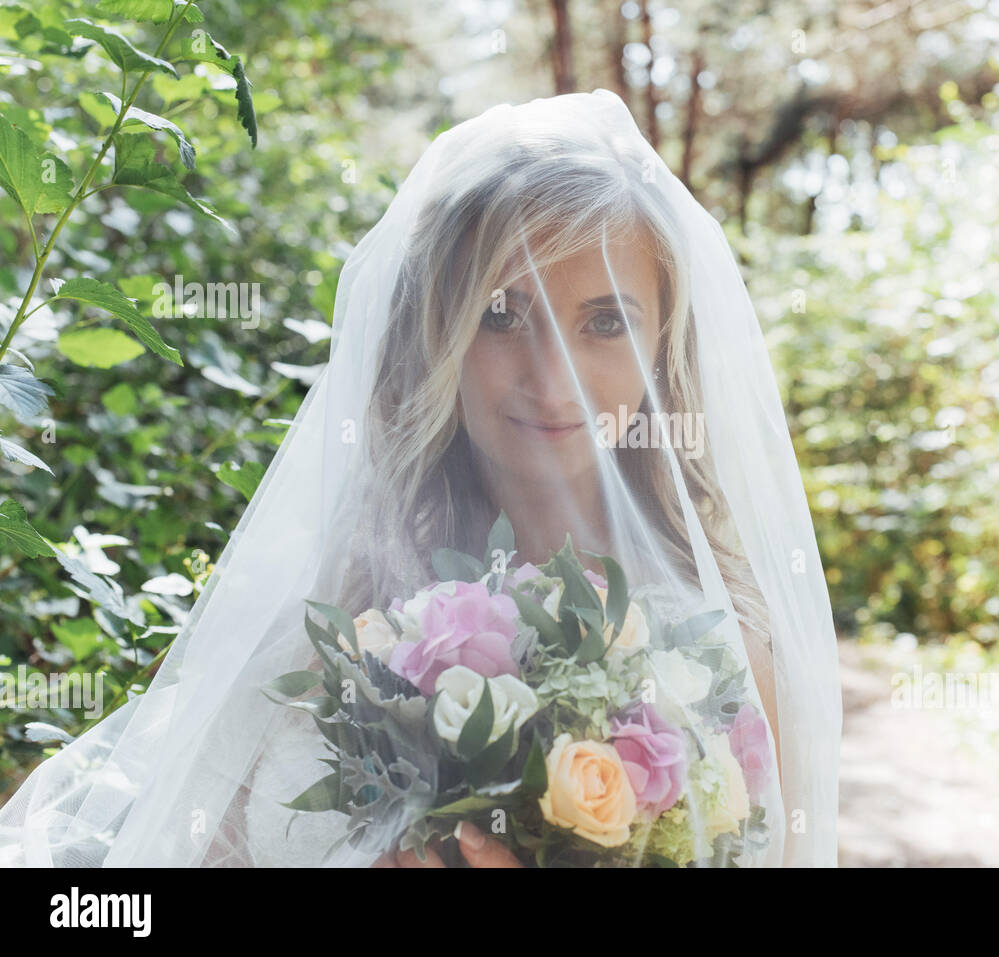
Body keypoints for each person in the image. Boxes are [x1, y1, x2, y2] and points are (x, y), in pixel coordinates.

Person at [0, 89, 841, 867]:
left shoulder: (725, 652)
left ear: (665, 344)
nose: (555, 381)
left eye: (606, 322)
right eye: (502, 314)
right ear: (435, 330)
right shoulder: (328, 606)